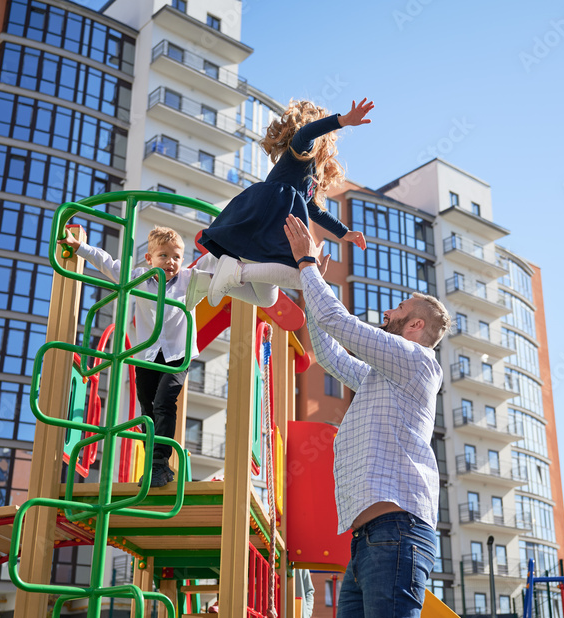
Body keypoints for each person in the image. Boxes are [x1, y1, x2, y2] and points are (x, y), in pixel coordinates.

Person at [283, 215, 450, 618]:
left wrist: (307, 264)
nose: (387, 312)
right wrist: (311, 282)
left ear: (414, 326)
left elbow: (339, 323)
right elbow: (330, 355)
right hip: (370, 539)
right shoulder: (383, 378)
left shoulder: (416, 361)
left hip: (397, 533)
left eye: (398, 309)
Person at [189, 98, 373, 309]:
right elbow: (306, 133)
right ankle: (235, 271)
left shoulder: (309, 176)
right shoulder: (299, 153)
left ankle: (208, 280)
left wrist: (345, 233)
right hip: (269, 216)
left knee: (267, 298)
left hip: (274, 223)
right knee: (303, 275)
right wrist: (343, 120)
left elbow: (315, 210)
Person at [63, 225, 204, 487]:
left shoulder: (190, 280)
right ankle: (152, 462)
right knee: (147, 409)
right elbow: (110, 265)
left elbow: (217, 273)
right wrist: (79, 248)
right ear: (149, 259)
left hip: (177, 354)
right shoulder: (139, 276)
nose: (170, 262)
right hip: (146, 355)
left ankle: (161, 464)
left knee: (164, 402)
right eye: (163, 255)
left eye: (176, 256)